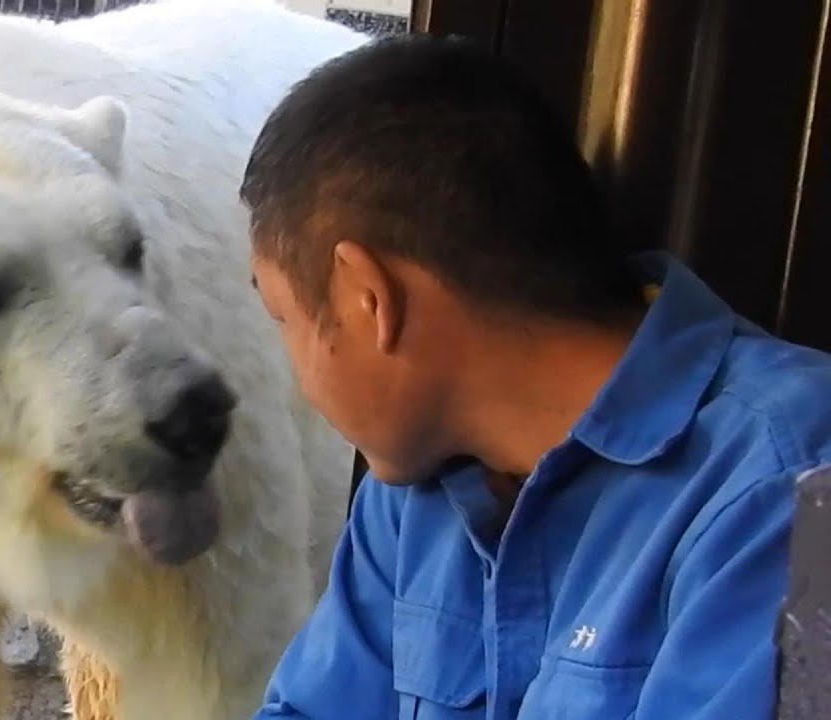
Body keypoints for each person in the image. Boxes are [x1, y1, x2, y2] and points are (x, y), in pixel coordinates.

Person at [241, 33, 831, 720]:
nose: (300, 380)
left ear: (367, 298)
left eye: (282, 317)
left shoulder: (793, 484)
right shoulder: (413, 487)